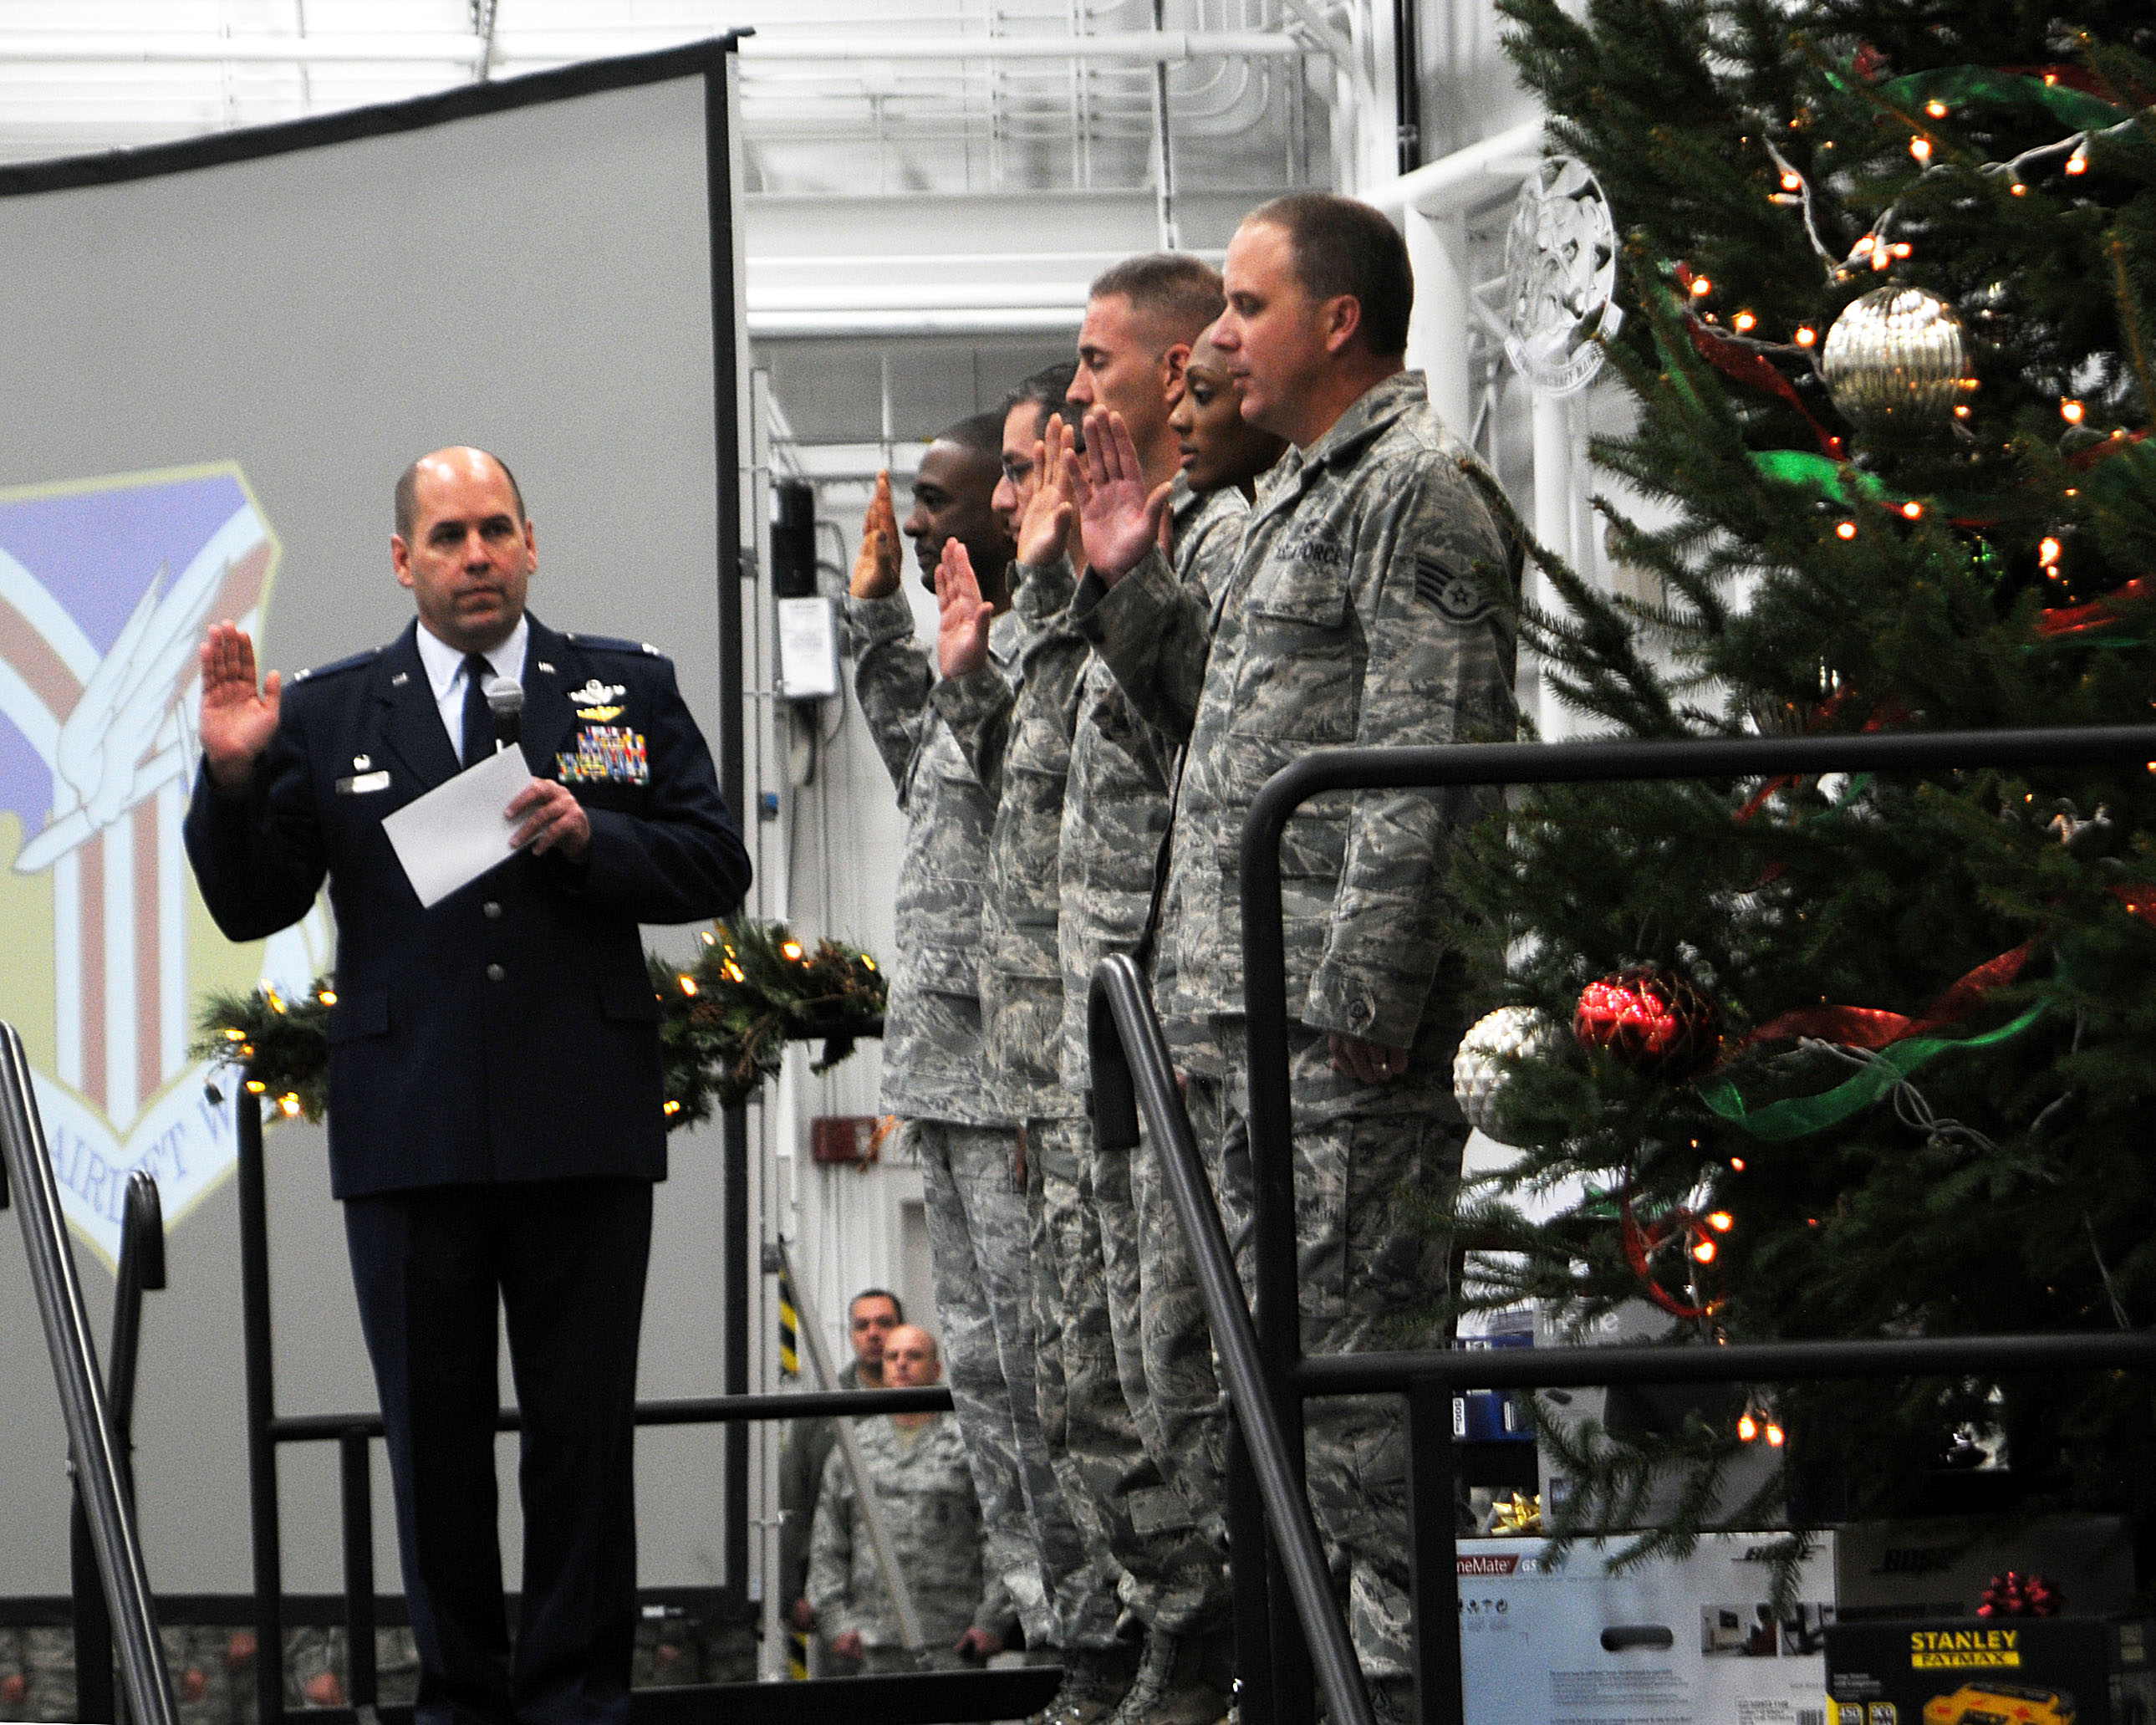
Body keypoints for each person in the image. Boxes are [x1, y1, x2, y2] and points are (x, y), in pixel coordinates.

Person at [185, 447, 752, 1725]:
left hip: (581, 1118)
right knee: (431, 1445)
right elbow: (252, 900)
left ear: (532, 542)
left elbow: (715, 863)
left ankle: (573, 1699)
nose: (475, 554)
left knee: (578, 1437)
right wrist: (229, 777)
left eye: (495, 528)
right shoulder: (330, 710)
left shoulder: (622, 685)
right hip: (412, 1125)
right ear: (404, 560)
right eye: (446, 535)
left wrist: (593, 835)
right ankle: (459, 1699)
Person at [1069, 195, 1518, 1717]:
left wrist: (1361, 1008)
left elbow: (1424, 761)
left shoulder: (1417, 492)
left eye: (1244, 309)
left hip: (1336, 1052)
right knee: (1202, 1400)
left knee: (1353, 1430)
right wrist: (1130, 579)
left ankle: (1395, 1695)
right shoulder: (1280, 504)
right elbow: (1221, 729)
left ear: (1337, 320)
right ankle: (1283, 1680)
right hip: (1221, 1028)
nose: (1210, 342)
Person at [842, 411, 1078, 1666]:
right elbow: (911, 760)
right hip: (943, 1067)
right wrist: (877, 620)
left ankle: (1088, 1622)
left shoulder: (1046, 636)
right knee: (986, 1384)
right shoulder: (967, 650)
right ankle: (1045, 1613)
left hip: (1012, 1073)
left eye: (940, 495)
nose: (921, 514)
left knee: (1043, 1380)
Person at [806, 1326, 1017, 1674]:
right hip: (872, 1638)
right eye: (893, 1356)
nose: (901, 1364)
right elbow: (828, 1541)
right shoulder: (853, 1446)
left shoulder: (969, 1446)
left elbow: (999, 1538)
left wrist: (993, 1620)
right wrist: (834, 1621)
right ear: (883, 1368)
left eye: (914, 1356)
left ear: (936, 1369)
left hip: (954, 1636)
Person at [777, 1289, 905, 1661]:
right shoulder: (823, 1411)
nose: (874, 1334)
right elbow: (794, 1501)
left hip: (928, 1594)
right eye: (862, 1325)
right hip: (844, 1601)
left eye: (885, 1323)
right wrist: (794, 1591)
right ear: (851, 1334)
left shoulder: (930, 1408)